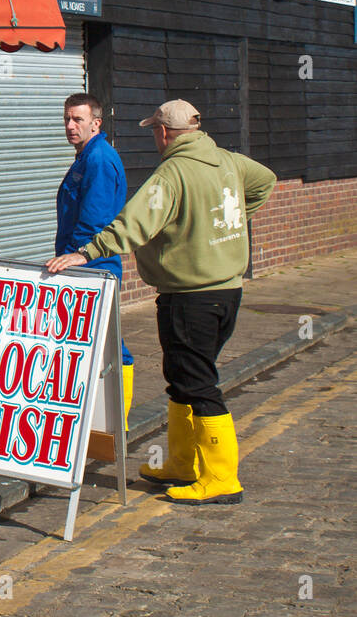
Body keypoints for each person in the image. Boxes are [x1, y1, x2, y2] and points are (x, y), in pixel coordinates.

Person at [47, 100, 276, 506]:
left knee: (198, 381)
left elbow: (132, 222)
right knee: (184, 377)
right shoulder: (228, 161)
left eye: (155, 129)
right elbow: (266, 181)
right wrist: (229, 223)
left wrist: (88, 251)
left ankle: (221, 478)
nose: (154, 136)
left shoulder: (172, 172)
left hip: (191, 296)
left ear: (165, 133)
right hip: (227, 291)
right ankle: (183, 464)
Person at [54, 93, 134, 429]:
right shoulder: (88, 156)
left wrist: (77, 259)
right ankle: (97, 423)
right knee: (99, 342)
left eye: (78, 120)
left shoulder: (99, 159)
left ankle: (115, 425)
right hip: (83, 265)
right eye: (67, 119)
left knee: (111, 344)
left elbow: (94, 223)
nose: (71, 126)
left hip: (92, 267)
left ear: (96, 123)